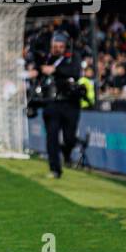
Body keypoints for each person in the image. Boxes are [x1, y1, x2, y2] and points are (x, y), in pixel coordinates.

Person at [30, 32, 83, 178]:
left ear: (65, 46)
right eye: (55, 46)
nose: (57, 48)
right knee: (51, 137)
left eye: (60, 46)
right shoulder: (47, 58)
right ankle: (55, 169)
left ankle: (67, 153)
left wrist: (56, 70)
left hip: (70, 102)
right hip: (52, 103)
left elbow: (76, 73)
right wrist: (36, 71)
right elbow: (38, 67)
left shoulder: (72, 57)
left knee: (69, 138)